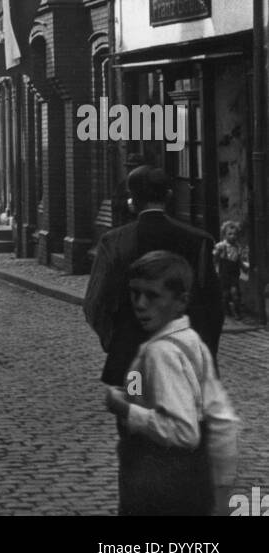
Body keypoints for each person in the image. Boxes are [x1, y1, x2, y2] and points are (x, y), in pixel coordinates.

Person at [103, 251, 238, 517]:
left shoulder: (161, 352)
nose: (140, 304)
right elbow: (222, 418)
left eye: (152, 296)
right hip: (192, 484)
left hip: (157, 486)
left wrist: (126, 410)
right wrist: (221, 487)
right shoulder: (191, 341)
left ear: (181, 302)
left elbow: (183, 432)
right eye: (134, 293)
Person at [84, 165, 224, 387]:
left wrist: (116, 340)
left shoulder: (114, 242)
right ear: (168, 196)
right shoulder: (199, 241)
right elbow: (214, 308)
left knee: (133, 414)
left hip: (131, 357)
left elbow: (95, 303)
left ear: (132, 201)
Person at [213, 221, 243, 319]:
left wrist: (244, 267)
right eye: (229, 234)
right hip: (224, 273)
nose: (232, 236)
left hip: (234, 273)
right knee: (225, 294)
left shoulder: (238, 247)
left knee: (235, 292)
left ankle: (237, 311)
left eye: (235, 234)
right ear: (224, 235)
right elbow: (215, 258)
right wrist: (215, 267)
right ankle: (227, 310)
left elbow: (239, 260)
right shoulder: (221, 246)